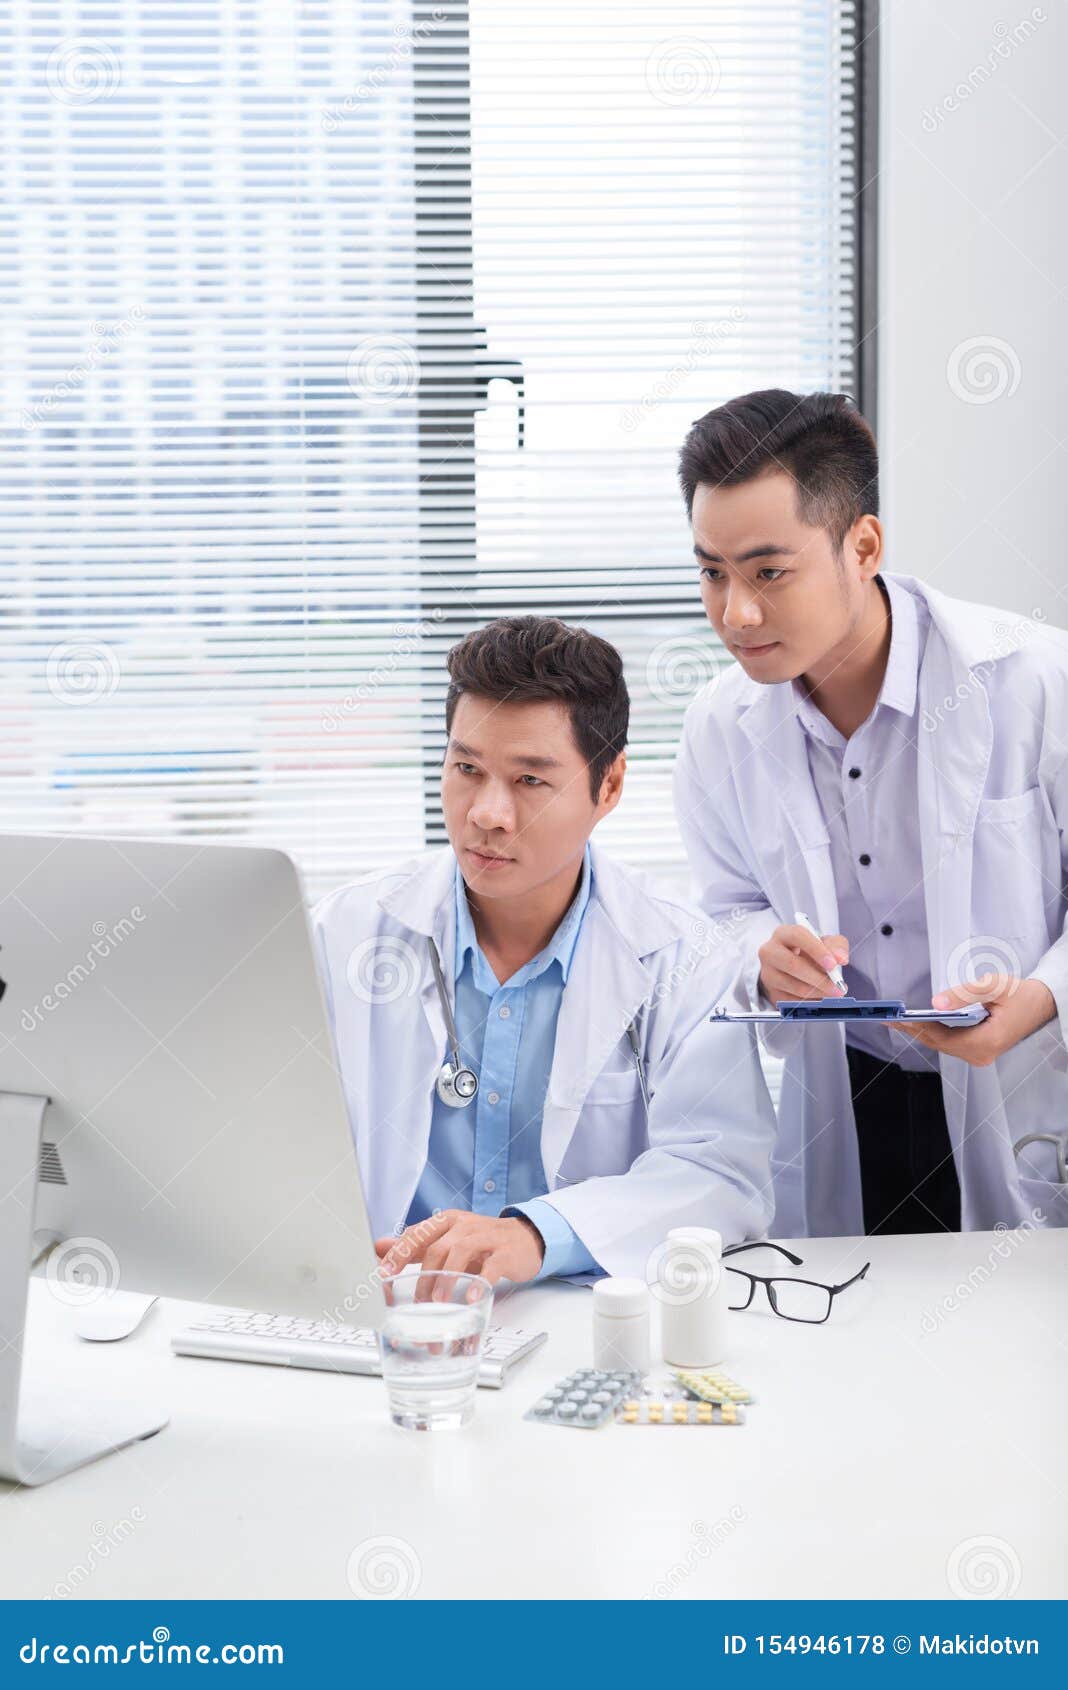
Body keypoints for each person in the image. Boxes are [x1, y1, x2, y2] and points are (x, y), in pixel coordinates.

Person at [673, 388, 1068, 1237]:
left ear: (863, 546)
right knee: (847, 1340)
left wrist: (1040, 996)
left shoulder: (1033, 681)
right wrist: (760, 956)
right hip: (845, 1102)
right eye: (713, 572)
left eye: (769, 572)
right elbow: (726, 913)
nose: (735, 613)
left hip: (1022, 1089)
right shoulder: (719, 725)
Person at [312, 616, 777, 1286]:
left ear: (609, 787)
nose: (487, 813)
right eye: (466, 768)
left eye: (530, 781)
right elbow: (270, 1137)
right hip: (386, 1315)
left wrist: (536, 1236)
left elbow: (721, 1171)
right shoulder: (347, 934)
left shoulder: (686, 957)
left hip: (580, 1312)